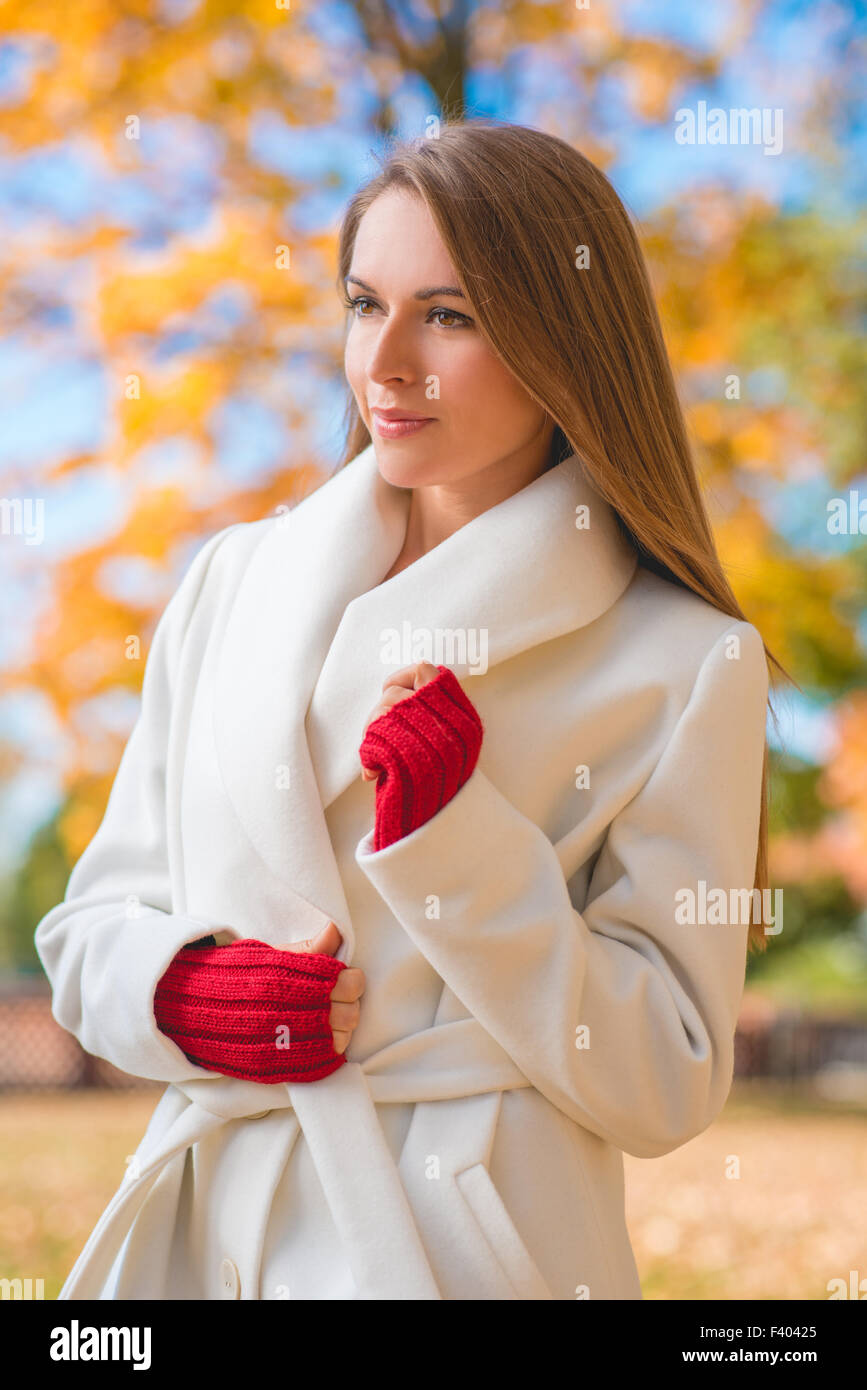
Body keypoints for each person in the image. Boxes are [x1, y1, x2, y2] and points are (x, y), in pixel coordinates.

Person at [35, 118, 781, 1301]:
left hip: (462, 1255)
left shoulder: (687, 660)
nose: (386, 361)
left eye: (450, 314)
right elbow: (88, 929)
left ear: (565, 339)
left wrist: (463, 849)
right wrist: (186, 993)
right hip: (205, 1241)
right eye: (362, 302)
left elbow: (668, 1080)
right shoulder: (236, 579)